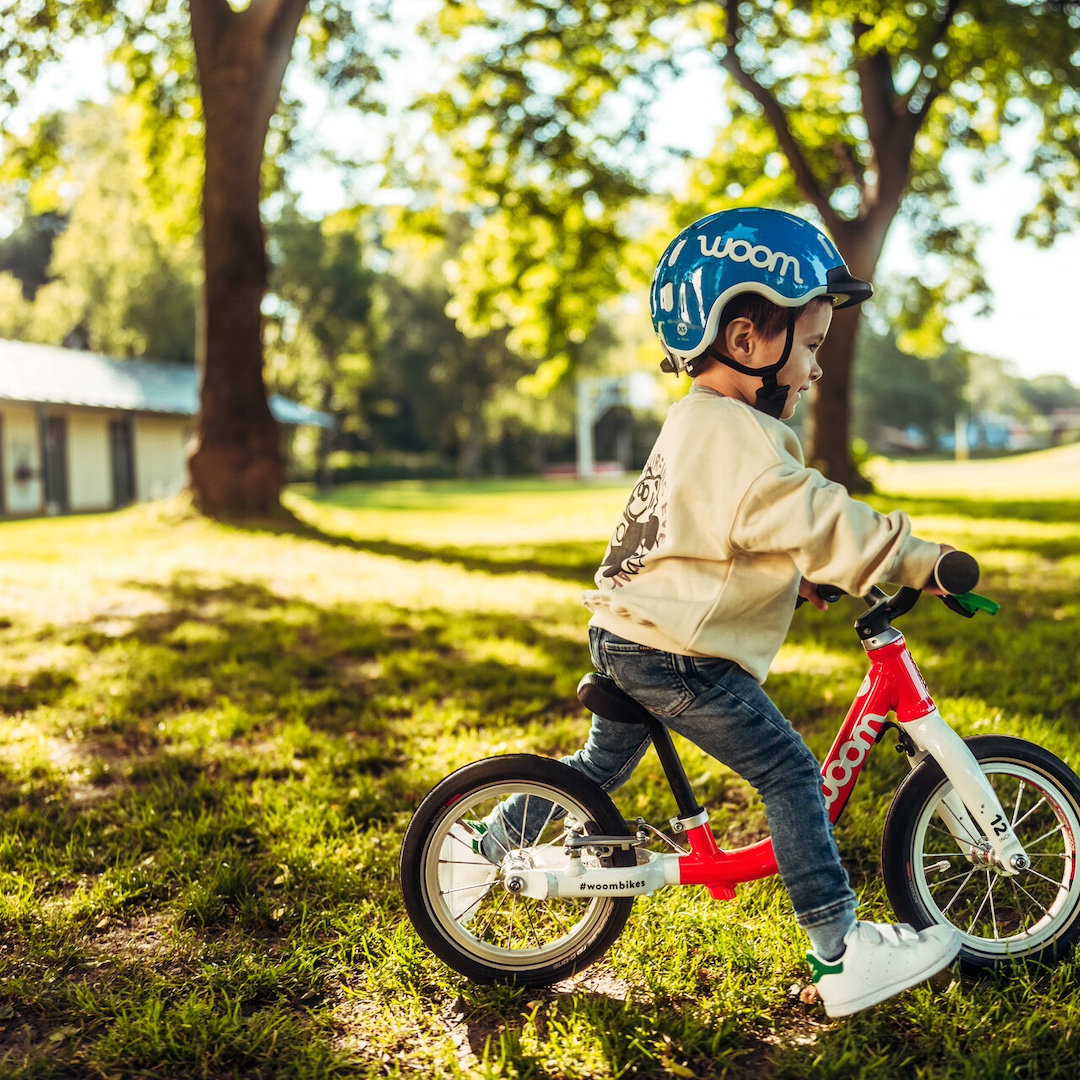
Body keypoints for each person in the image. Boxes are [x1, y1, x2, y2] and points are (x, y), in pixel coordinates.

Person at [448, 207, 960, 1018]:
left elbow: (712, 535)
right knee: (790, 772)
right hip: (676, 654)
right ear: (747, 340)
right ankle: (841, 953)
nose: (816, 369)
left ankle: (487, 847)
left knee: (597, 772)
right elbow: (817, 515)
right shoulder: (742, 435)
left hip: (631, 634)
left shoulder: (701, 422)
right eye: (813, 345)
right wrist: (918, 559)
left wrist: (789, 580)